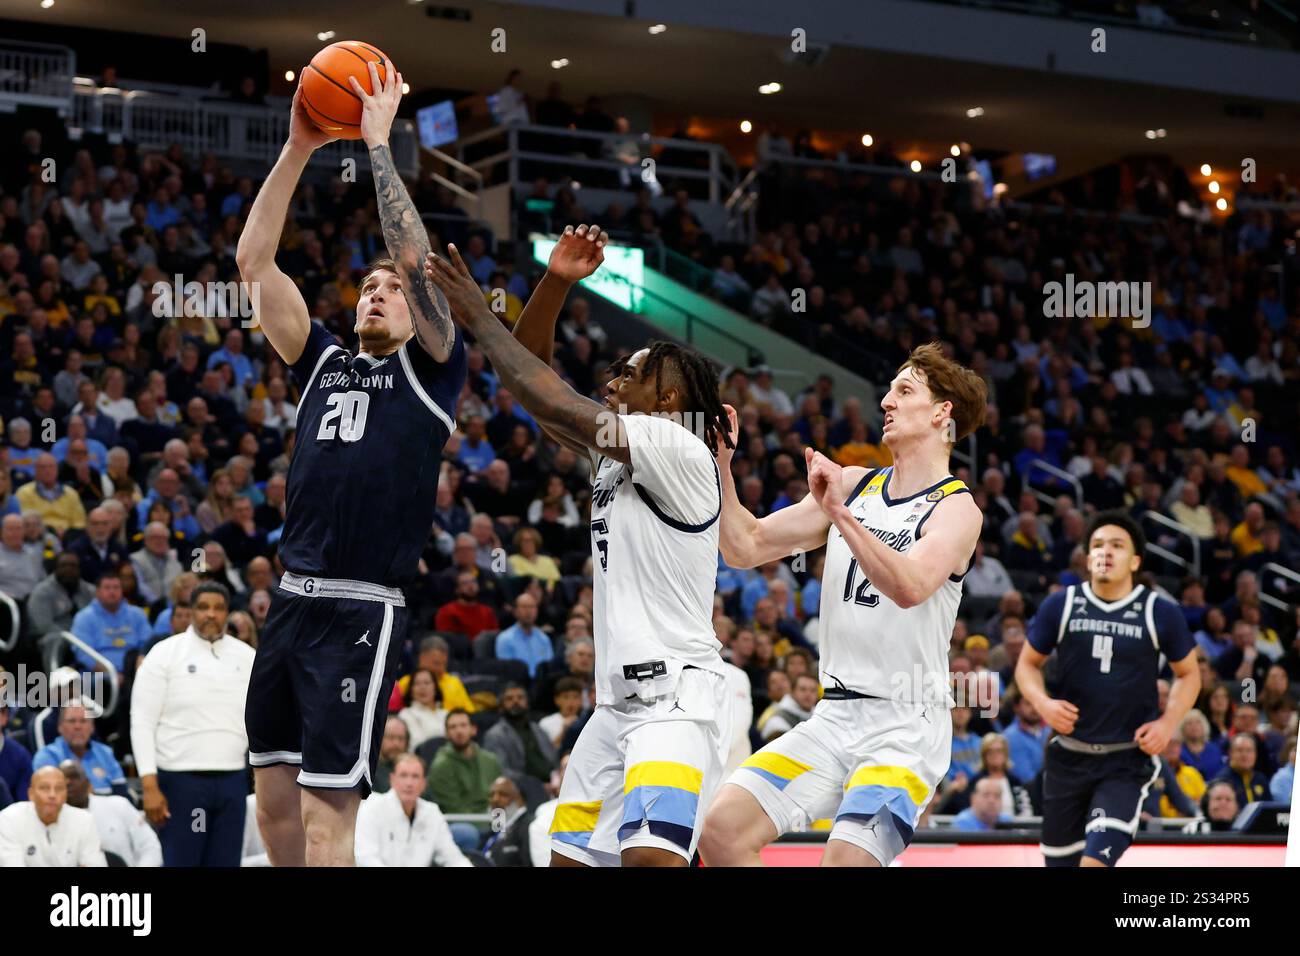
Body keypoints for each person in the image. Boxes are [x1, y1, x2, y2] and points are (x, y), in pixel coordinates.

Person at [426, 224, 736, 868]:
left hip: (675, 703)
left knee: (650, 861)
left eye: (632, 372)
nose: (613, 378)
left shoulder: (678, 446)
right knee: (566, 862)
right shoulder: (618, 456)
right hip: (615, 707)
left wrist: (481, 318)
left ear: (669, 398)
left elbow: (556, 401)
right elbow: (536, 390)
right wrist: (556, 283)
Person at [236, 64, 466, 867]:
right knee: (273, 814)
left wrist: (377, 143)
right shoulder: (322, 362)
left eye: (390, 290)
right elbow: (255, 267)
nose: (376, 292)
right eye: (365, 287)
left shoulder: (433, 368)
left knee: (329, 816)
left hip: (361, 613)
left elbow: (415, 256)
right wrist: (299, 146)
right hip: (290, 604)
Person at [701, 343, 986, 868]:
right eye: (890, 390)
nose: (886, 402)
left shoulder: (958, 509)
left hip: (904, 727)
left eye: (905, 391)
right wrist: (721, 462)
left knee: (845, 861)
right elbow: (743, 547)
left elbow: (910, 586)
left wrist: (840, 516)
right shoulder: (856, 485)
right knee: (719, 832)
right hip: (833, 717)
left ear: (943, 412)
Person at [1018, 510, 1200, 867]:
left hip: (1125, 761)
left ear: (1134, 561)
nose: (1105, 552)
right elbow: (1026, 664)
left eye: (1117, 546)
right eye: (1098, 545)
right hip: (1068, 757)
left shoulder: (1159, 611)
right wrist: (1043, 703)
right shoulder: (1062, 603)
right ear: (1087, 558)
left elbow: (1190, 674)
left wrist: (1167, 724)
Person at [130, 582, 254, 867]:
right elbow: (142, 721)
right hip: (181, 782)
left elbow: (261, 720)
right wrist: (149, 783)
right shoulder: (163, 654)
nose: (211, 614)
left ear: (228, 614)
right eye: (203, 607)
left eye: (219, 608)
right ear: (190, 612)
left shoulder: (247, 657)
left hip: (233, 780)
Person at [354, 753, 472, 867]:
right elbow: (365, 859)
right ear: (392, 780)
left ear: (424, 783)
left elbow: (454, 858)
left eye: (415, 776)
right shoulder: (372, 808)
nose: (409, 783)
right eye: (403, 775)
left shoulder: (432, 813)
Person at [60, 760, 162, 866]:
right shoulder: (52, 819)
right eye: (63, 780)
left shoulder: (118, 805)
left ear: (88, 783)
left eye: (74, 777)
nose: (68, 782)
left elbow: (150, 846)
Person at [0, 765, 106, 866]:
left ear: (65, 794)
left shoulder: (84, 820)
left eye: (59, 788)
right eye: (44, 788)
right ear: (31, 794)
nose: (52, 795)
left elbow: (95, 863)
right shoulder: (9, 819)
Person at [32, 702, 128, 797]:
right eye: (71, 721)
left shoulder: (106, 753)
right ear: (60, 727)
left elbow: (122, 795)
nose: (77, 726)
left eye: (83, 721)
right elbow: (48, 798)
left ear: (92, 727)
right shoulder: (47, 756)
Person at [69, 571, 151, 678]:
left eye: (116, 587)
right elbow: (83, 653)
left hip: (134, 670)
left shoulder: (137, 614)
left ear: (122, 590)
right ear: (97, 592)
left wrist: (138, 671)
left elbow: (147, 645)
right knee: (92, 683)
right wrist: (111, 674)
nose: (112, 592)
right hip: (97, 673)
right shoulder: (83, 617)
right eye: (107, 588)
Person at [425, 708, 503, 815]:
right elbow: (454, 809)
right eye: (453, 727)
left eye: (463, 725)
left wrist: (500, 827)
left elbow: (500, 800)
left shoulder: (491, 761)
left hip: (493, 821)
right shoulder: (440, 766)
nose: (459, 731)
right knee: (466, 831)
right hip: (461, 823)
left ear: (473, 729)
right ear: (447, 734)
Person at [483, 683, 557, 783]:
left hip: (553, 785)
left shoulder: (539, 729)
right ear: (501, 706)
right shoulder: (494, 736)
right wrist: (535, 785)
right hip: (521, 789)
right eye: (509, 698)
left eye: (520, 697)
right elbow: (501, 771)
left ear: (527, 703)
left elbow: (554, 760)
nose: (516, 701)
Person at [495, 592, 553, 677]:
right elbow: (506, 671)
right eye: (524, 607)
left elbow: (549, 666)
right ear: (515, 611)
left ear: (537, 611)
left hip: (541, 684)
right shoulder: (505, 639)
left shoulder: (543, 638)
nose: (528, 611)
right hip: (517, 684)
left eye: (532, 607)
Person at [483, 775, 533, 866]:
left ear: (518, 798)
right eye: (492, 795)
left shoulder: (529, 827)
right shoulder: (494, 830)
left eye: (502, 794)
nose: (495, 799)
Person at [760, 673, 820, 741]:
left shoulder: (820, 717)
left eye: (813, 690)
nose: (808, 694)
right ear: (792, 692)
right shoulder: (778, 720)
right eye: (803, 689)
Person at [398, 669, 447, 750]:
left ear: (435, 688)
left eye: (427, 683)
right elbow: (416, 745)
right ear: (411, 690)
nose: (422, 687)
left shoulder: (446, 714)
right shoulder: (406, 714)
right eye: (417, 684)